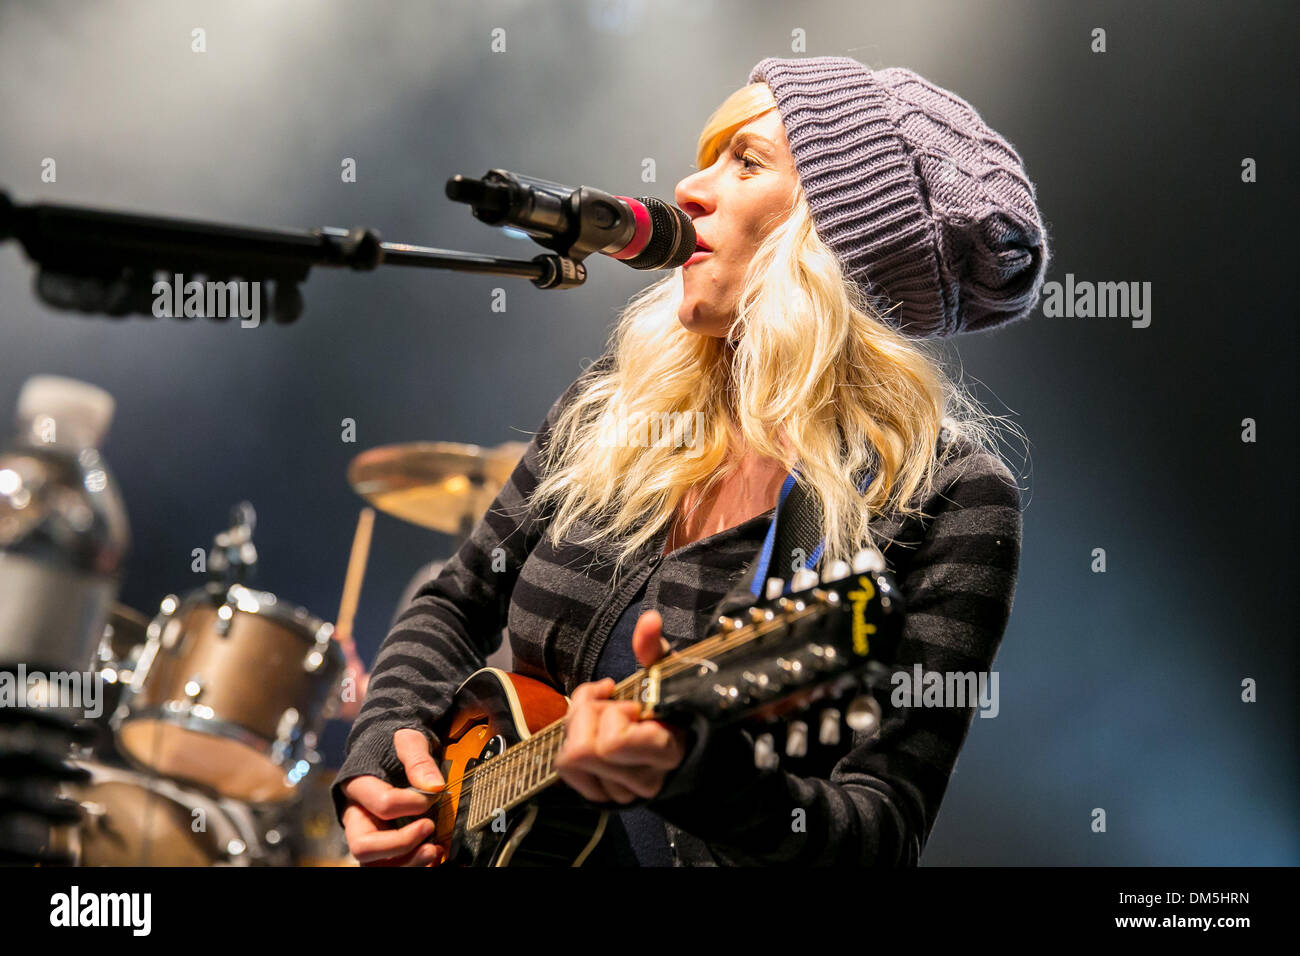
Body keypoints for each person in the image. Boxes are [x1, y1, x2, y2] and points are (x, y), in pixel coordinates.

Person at [332, 55, 1049, 866]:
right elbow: (455, 599)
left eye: (746, 163)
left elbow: (878, 832)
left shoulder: (944, 496)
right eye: (708, 156)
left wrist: (696, 772)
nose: (688, 187)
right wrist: (386, 757)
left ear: (837, 242)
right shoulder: (619, 402)